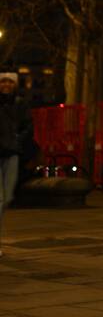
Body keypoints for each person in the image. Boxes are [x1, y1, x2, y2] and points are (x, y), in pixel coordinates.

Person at [0, 72, 32, 255]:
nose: (6, 84)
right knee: (0, 199)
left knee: (8, 197)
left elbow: (28, 125)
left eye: (9, 81)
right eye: (3, 81)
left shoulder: (20, 103)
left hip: (11, 152)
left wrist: (18, 141)